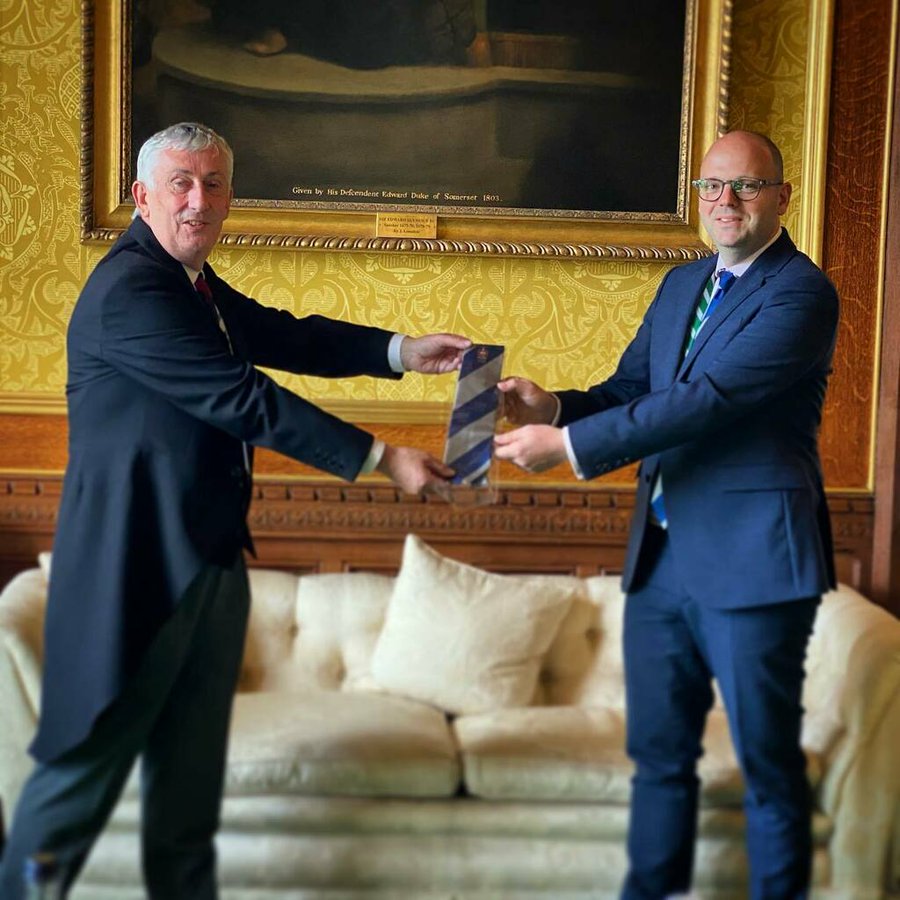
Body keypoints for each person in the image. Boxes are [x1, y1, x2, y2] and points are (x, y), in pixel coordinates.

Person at [0, 121, 470, 900]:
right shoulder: (130, 290)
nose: (198, 199)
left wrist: (401, 350)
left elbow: (284, 336)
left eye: (213, 184)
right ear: (140, 195)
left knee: (187, 800)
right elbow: (240, 397)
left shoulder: (194, 286)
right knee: (78, 781)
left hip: (212, 562)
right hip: (135, 572)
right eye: (180, 182)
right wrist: (384, 458)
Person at [494, 130, 839, 899]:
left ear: (783, 197)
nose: (727, 202)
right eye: (713, 187)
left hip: (754, 562)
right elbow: (631, 394)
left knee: (768, 765)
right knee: (658, 757)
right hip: (660, 560)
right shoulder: (681, 286)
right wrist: (551, 405)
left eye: (746, 187)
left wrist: (571, 447)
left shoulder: (800, 293)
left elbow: (706, 402)